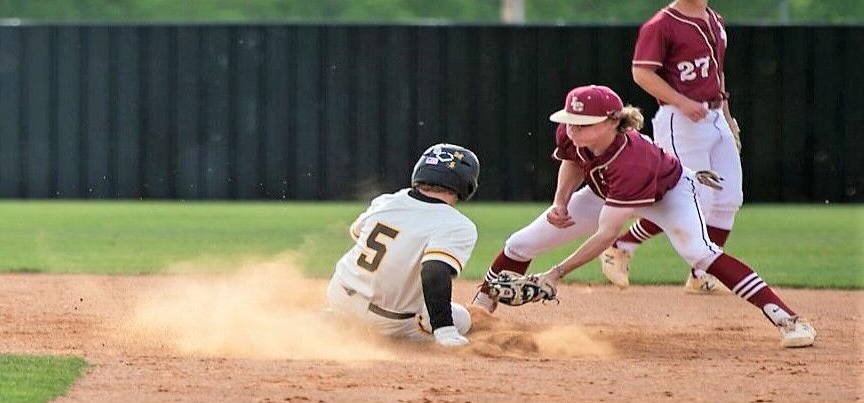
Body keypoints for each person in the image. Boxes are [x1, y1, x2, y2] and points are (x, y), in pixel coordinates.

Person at [473, 85, 816, 348]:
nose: (573, 129)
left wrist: (556, 273)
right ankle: (478, 314)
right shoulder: (572, 131)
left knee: (699, 252)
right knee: (520, 244)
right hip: (606, 192)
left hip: (669, 193)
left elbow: (608, 235)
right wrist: (560, 201)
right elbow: (573, 158)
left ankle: (789, 320)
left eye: (583, 124)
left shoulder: (631, 160)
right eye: (570, 121)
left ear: (612, 122)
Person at [600, 0, 743, 294]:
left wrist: (728, 119)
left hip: (714, 114)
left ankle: (700, 274)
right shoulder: (661, 25)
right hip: (681, 119)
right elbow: (642, 73)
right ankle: (621, 246)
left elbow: (718, 75)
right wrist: (682, 102)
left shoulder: (714, 19)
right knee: (690, 198)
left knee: (728, 198)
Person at [327, 143, 484, 347]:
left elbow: (358, 233)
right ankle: (379, 332)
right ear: (467, 182)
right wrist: (445, 329)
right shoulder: (458, 225)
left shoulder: (386, 200)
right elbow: (434, 272)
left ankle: (341, 320)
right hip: (390, 320)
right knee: (462, 318)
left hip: (339, 295)